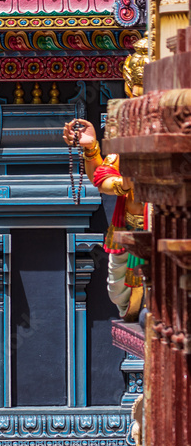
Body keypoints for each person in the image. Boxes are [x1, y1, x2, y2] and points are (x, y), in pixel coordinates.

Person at [62, 38, 149, 321]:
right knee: (119, 292)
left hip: (165, 230)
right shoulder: (127, 128)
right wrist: (91, 149)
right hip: (130, 229)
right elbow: (103, 177)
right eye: (134, 94)